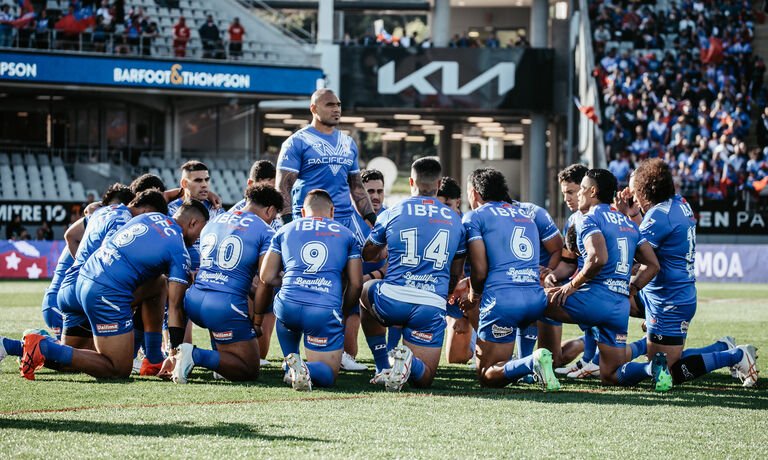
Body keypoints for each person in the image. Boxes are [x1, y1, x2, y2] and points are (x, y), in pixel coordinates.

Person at [18, 201, 208, 380]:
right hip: (106, 292)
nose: (199, 238)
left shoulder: (149, 217)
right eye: (200, 233)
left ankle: (21, 346)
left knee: (73, 362)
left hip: (83, 279)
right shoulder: (179, 249)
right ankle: (43, 346)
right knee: (118, 369)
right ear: (193, 222)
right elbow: (174, 308)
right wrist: (174, 355)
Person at [614, 159, 757, 387]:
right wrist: (633, 216)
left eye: (633, 189)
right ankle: (723, 347)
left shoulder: (658, 216)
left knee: (666, 372)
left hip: (668, 299)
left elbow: (631, 254)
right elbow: (650, 239)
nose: (630, 195)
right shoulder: (679, 204)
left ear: (645, 189)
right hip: (671, 293)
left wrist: (623, 217)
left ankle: (736, 356)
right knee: (623, 302)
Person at [543, 169, 665, 390]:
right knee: (611, 375)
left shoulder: (588, 218)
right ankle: (651, 368)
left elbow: (598, 258)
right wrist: (631, 289)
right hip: (619, 306)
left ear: (593, 191)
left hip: (594, 299)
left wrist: (571, 285)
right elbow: (653, 265)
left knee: (536, 302)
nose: (578, 194)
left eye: (581, 189)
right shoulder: (627, 223)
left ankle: (540, 365)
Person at [359, 158, 466, 392]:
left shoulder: (393, 211)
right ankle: (410, 363)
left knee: (365, 290)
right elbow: (456, 273)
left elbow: (368, 254)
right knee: (424, 379)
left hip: (392, 299)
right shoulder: (455, 220)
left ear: (411, 181)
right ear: (439, 184)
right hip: (430, 304)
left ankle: (381, 364)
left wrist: (384, 246)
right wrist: (442, 296)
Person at [168, 184, 283, 384]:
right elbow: (266, 280)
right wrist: (257, 322)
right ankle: (195, 355)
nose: (272, 220)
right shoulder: (265, 230)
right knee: (249, 369)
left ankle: (219, 361)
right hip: (223, 307)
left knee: (243, 292)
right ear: (270, 210)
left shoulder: (214, 221)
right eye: (273, 216)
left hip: (194, 299)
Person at [461, 168, 559, 391]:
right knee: (501, 363)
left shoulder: (475, 216)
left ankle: (530, 362)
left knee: (487, 375)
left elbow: (480, 268)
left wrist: (474, 294)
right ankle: (529, 365)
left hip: (503, 302)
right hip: (535, 299)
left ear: (474, 193)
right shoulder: (527, 217)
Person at [259, 189, 363, 391]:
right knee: (327, 374)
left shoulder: (285, 230)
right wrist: (343, 311)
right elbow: (356, 283)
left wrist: (295, 281)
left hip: (287, 306)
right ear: (332, 211)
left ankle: (291, 363)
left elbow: (266, 277)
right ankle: (304, 368)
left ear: (302, 212)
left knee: (286, 312)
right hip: (322, 310)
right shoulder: (346, 234)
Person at [58, 189, 169, 376]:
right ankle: (154, 358)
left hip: (70, 287)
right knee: (159, 283)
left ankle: (20, 345)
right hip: (97, 290)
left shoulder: (103, 211)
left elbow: (71, 235)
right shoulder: (127, 222)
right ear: (144, 213)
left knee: (68, 363)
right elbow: (109, 259)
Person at [275, 88, 376, 246]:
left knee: (354, 268)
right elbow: (283, 186)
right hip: (308, 220)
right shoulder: (297, 142)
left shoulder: (348, 143)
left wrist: (373, 220)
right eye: (330, 105)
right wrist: (287, 224)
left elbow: (357, 187)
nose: (336, 109)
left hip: (344, 222)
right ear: (313, 109)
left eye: (338, 105)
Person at [228, 159, 279, 367]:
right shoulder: (236, 213)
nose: (269, 191)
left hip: (268, 279)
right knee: (247, 345)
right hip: (245, 281)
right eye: (265, 185)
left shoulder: (277, 210)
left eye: (273, 186)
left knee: (261, 353)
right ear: (252, 184)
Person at [341, 169, 388, 371]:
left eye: (380, 191)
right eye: (370, 191)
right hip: (348, 286)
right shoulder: (347, 218)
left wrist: (367, 277)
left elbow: (394, 261)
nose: (376, 196)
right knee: (349, 355)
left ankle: (390, 357)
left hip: (378, 285)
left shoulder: (389, 216)